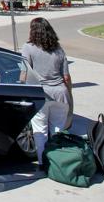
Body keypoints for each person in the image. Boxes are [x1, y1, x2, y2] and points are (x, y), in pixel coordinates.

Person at [20, 17, 73, 166]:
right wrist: (69, 93)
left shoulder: (28, 48)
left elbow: (24, 73)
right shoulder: (58, 49)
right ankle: (58, 162)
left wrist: (21, 88)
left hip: (41, 94)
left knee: (40, 131)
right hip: (60, 93)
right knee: (58, 131)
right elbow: (66, 77)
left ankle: (44, 163)